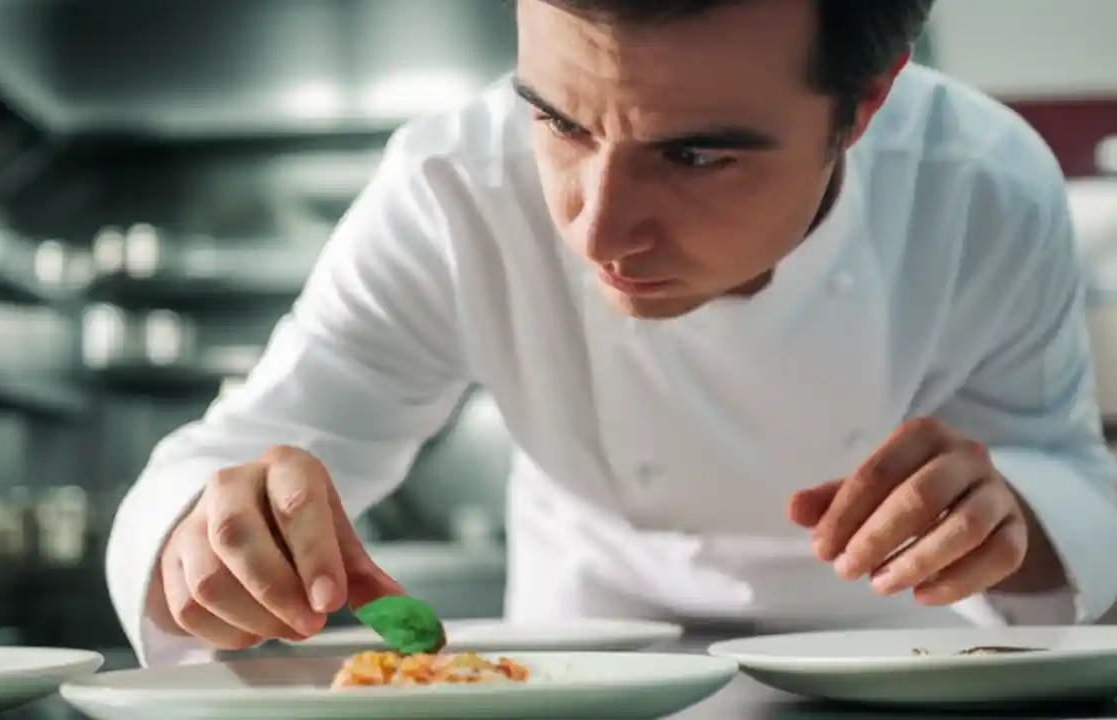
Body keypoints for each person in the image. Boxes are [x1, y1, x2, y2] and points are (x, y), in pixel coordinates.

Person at [106, 0, 1117, 667]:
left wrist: (1006, 522)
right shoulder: (450, 188)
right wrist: (210, 539)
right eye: (557, 122)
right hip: (577, 659)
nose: (595, 230)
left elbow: (1067, 483)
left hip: (888, 664)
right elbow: (221, 460)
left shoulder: (981, 188)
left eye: (691, 157)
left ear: (862, 102)